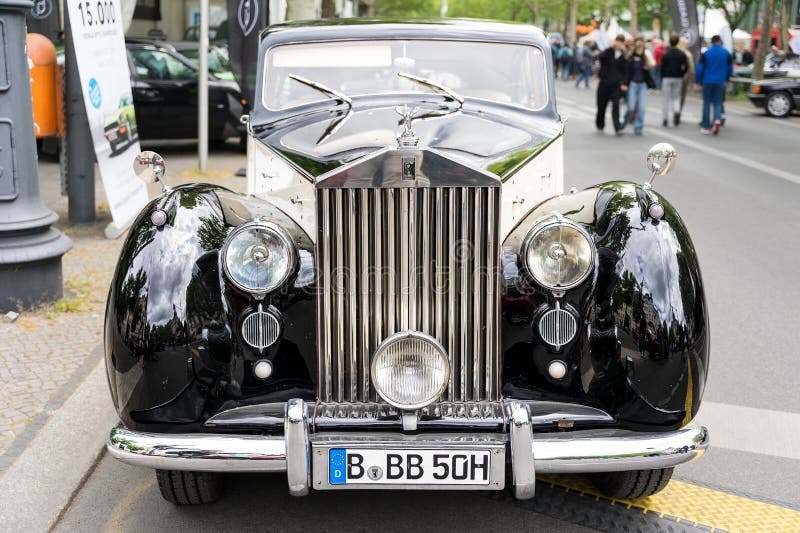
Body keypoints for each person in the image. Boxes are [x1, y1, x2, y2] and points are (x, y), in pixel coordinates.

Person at [695, 35, 732, 135]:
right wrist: (727, 79)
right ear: (720, 41)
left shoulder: (706, 53)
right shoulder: (726, 53)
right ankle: (717, 120)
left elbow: (699, 69)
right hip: (720, 81)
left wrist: (697, 82)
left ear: (712, 42)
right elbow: (730, 69)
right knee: (717, 102)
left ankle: (706, 127)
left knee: (706, 103)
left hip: (707, 81)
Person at [595, 34, 628, 135]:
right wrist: (610, 47)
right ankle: (600, 124)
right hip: (604, 83)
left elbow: (626, 71)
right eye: (617, 41)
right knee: (601, 105)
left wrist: (624, 83)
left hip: (616, 85)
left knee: (616, 105)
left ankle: (617, 128)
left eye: (621, 42)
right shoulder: (608, 52)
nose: (618, 43)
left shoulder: (624, 55)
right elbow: (599, 57)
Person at [622, 36, 654, 135]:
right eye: (638, 47)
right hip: (632, 84)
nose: (640, 49)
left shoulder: (646, 57)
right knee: (631, 107)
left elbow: (653, 65)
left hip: (643, 84)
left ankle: (638, 128)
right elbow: (626, 72)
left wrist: (648, 67)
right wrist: (625, 84)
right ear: (635, 47)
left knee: (642, 108)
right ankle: (625, 121)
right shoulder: (630, 58)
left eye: (641, 47)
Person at [660, 34, 689, 126]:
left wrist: (662, 77)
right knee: (676, 97)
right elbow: (686, 66)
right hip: (678, 77)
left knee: (665, 99)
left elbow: (662, 67)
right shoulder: (682, 54)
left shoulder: (666, 54)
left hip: (667, 77)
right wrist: (681, 73)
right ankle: (676, 111)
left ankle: (665, 118)